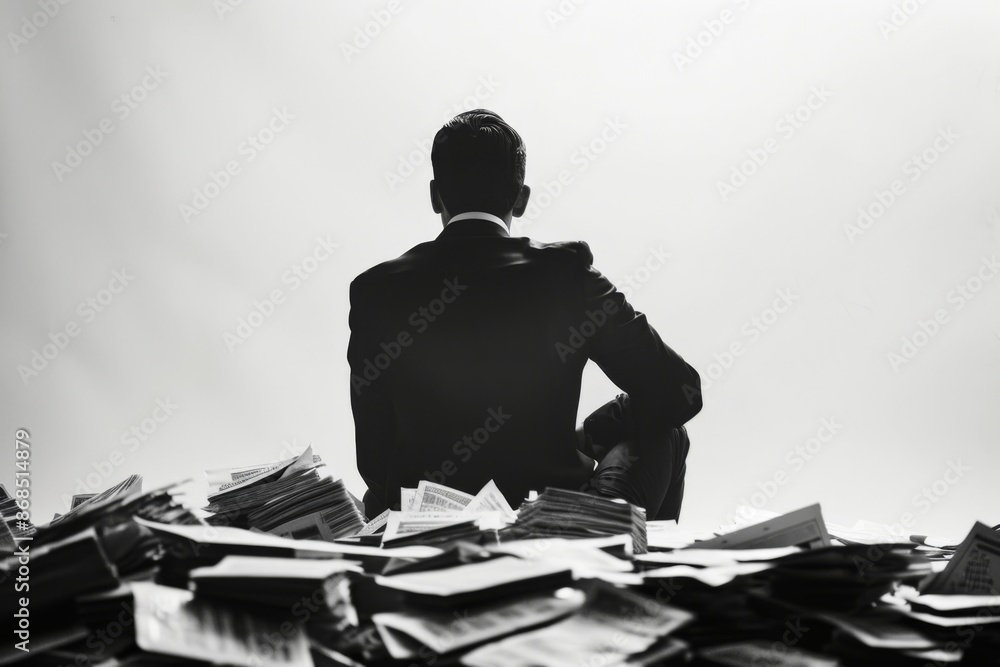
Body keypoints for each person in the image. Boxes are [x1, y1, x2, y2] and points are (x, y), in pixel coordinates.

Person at [348, 109, 701, 521]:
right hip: (549, 520)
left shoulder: (374, 290)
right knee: (666, 431)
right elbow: (680, 392)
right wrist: (601, 429)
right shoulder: (568, 275)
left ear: (433, 194)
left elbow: (374, 455)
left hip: (424, 522)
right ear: (522, 196)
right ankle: (628, 581)